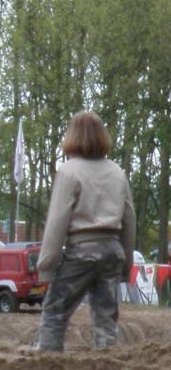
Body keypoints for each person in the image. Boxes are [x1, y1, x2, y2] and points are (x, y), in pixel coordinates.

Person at [35, 110, 135, 352]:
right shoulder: (117, 173)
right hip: (112, 250)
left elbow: (57, 221)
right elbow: (129, 220)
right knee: (106, 318)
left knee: (55, 311)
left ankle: (48, 362)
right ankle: (108, 366)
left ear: (72, 136)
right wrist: (126, 264)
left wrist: (47, 266)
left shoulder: (69, 172)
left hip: (81, 251)